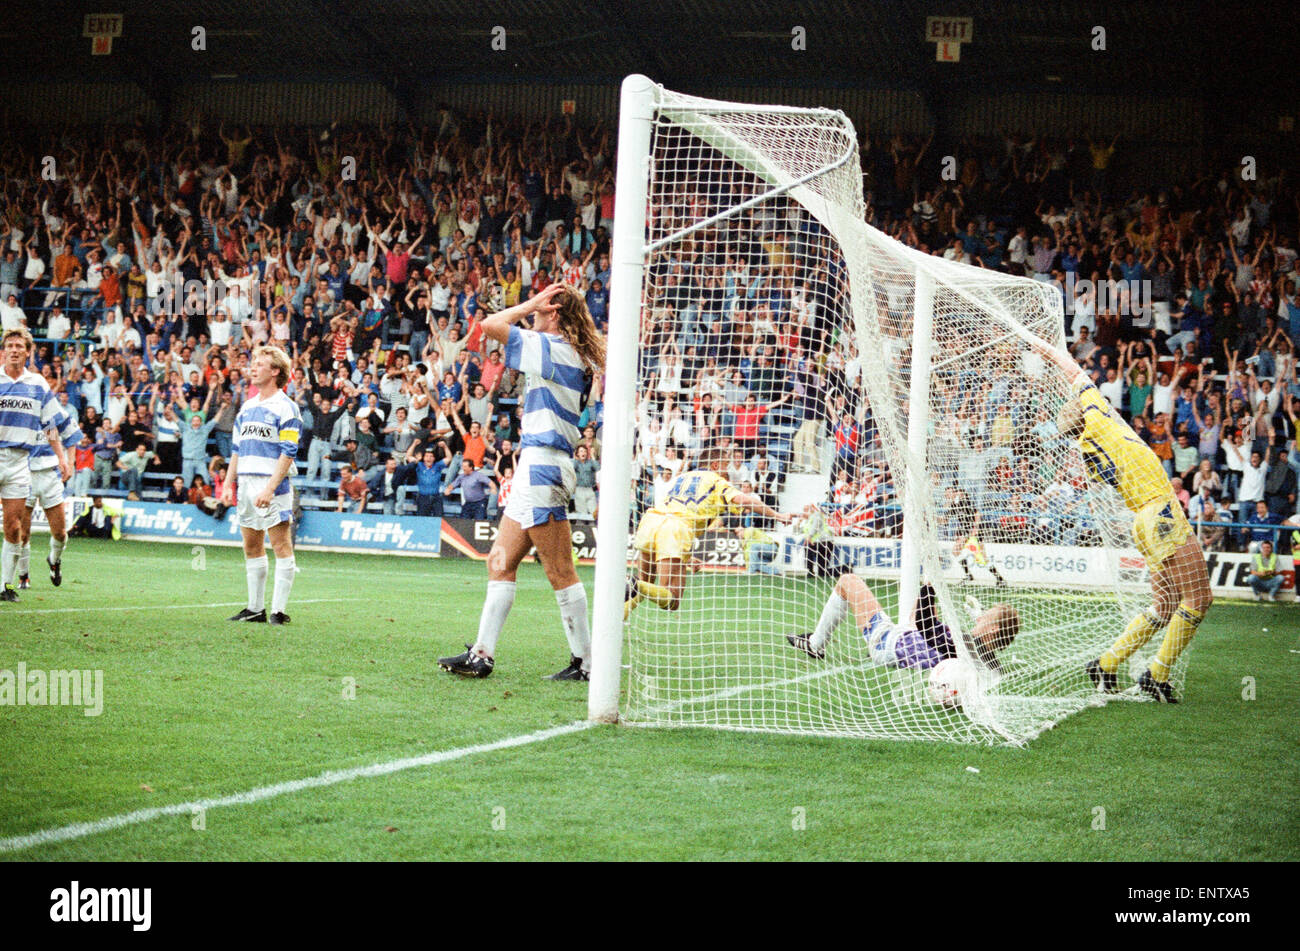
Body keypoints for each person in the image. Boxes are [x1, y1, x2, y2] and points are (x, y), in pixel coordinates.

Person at [438, 282, 605, 681]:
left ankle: (585, 662)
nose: (533, 316)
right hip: (540, 463)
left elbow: (490, 324)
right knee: (500, 561)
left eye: (541, 311)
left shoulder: (554, 349)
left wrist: (528, 302)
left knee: (560, 571)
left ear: (556, 314)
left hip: (543, 465)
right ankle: (482, 654)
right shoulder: (570, 354)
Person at [1034, 339, 1212, 702]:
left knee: (1164, 606)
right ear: (1085, 410)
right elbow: (1075, 373)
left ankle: (1107, 662)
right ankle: (1157, 674)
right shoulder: (1097, 415)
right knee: (1199, 597)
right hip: (1159, 510)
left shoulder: (1087, 449)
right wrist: (1051, 351)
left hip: (1143, 519)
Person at [626, 452, 789, 616]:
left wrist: (686, 556)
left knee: (643, 585)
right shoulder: (716, 480)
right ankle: (633, 584)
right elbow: (745, 501)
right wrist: (778, 515)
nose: (728, 469)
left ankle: (619, 615)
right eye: (726, 464)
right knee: (672, 601)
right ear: (715, 465)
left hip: (650, 522)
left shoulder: (681, 477)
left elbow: (678, 508)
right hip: (675, 528)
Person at [220, 346, 302, 626]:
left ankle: (278, 612)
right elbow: (236, 450)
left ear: (275, 371)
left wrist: (270, 488)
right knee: (251, 545)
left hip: (272, 486)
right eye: (252, 362)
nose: (252, 367)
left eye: (259, 363)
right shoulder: (247, 406)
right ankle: (255, 608)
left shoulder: (287, 407)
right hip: (246, 484)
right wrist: (228, 484)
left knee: (281, 545)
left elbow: (288, 451)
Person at [786, 578, 1019, 673]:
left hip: (887, 642)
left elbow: (925, 624)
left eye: (990, 614)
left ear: (993, 629)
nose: (984, 612)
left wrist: (929, 587)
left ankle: (815, 644)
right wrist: (981, 617)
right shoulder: (982, 656)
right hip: (910, 639)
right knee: (916, 612)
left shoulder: (963, 644)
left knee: (848, 581)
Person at [1, 328, 71, 602]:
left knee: (13, 526)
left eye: (20, 345)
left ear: (28, 351)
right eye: (10, 345)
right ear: (4, 350)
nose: (15, 349)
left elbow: (51, 424)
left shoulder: (38, 384)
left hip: (20, 462)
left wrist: (62, 457)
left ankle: (5, 586)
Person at [16, 409, 83, 589]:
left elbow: (72, 437)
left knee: (60, 533)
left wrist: (70, 463)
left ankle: (54, 560)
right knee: (23, 533)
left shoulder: (56, 411)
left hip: (51, 475)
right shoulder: (20, 410)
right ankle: (23, 576)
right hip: (25, 473)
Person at [948, 487, 1008, 587]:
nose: (948, 495)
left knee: (982, 558)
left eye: (950, 493)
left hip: (975, 533)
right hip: (967, 533)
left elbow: (977, 513)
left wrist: (975, 528)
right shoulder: (954, 505)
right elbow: (946, 520)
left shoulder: (965, 502)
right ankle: (969, 575)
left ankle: (999, 579)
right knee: (956, 551)